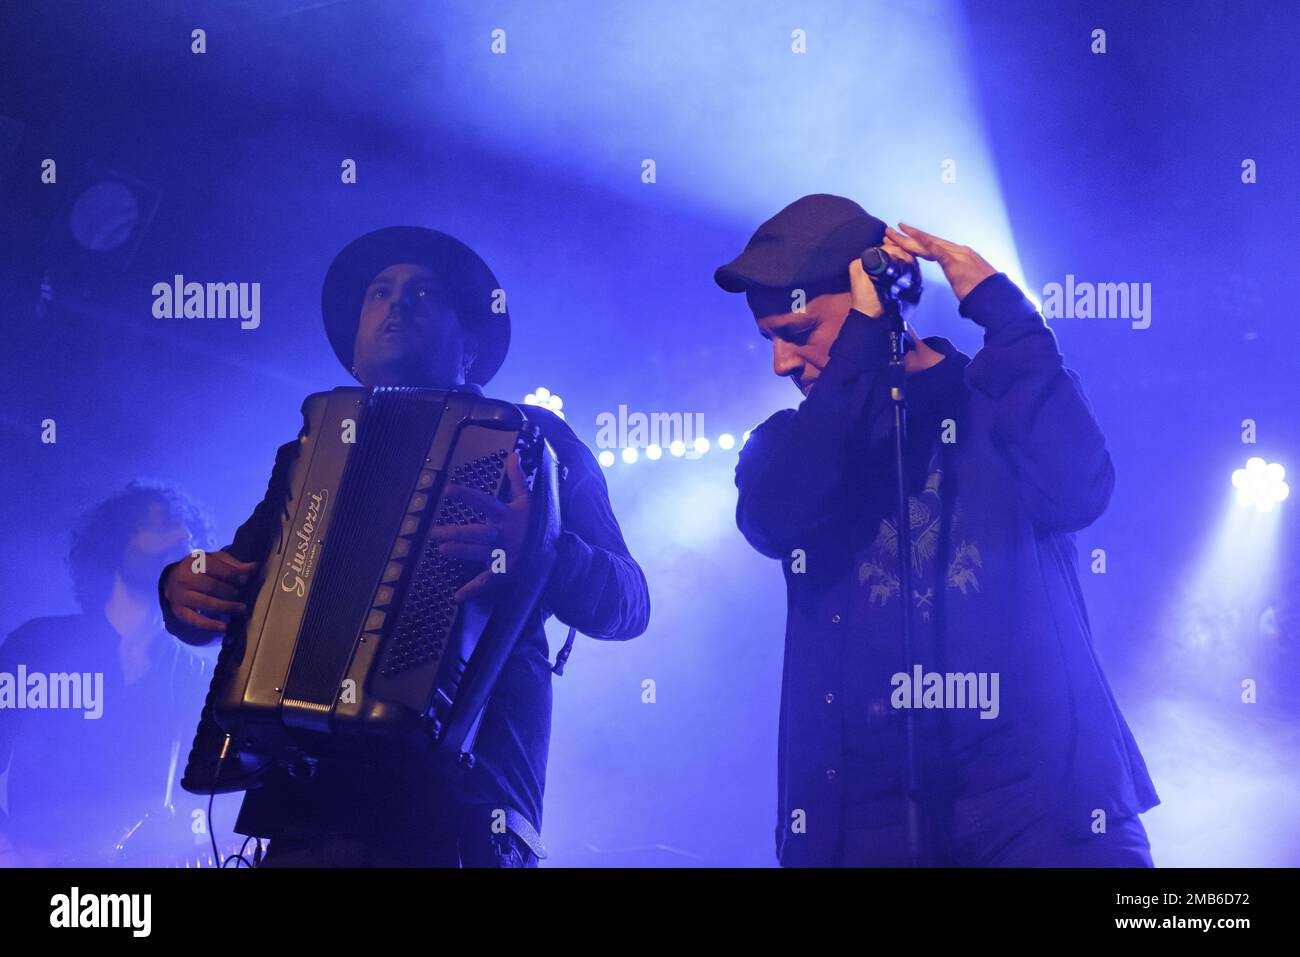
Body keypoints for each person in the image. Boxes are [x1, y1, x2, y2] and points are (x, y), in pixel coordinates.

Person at [158, 226, 650, 867]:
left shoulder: (534, 439)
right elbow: (236, 586)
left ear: (470, 345)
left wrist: (546, 549)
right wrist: (179, 590)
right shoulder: (311, 452)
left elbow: (630, 604)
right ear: (355, 353)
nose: (397, 304)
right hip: (307, 818)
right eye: (379, 292)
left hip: (464, 820)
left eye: (425, 292)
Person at [716, 194, 1159, 867]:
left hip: (1042, 811)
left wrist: (1008, 316)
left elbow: (1081, 490)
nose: (780, 362)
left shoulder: (994, 398)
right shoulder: (785, 444)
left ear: (882, 302)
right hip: (865, 824)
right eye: (768, 338)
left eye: (799, 333)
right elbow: (776, 518)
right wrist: (856, 353)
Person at [0, 484, 215, 867]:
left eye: (186, 530)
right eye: (162, 523)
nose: (182, 537)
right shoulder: (38, 645)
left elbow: (200, 803)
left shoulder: (195, 674)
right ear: (115, 542)